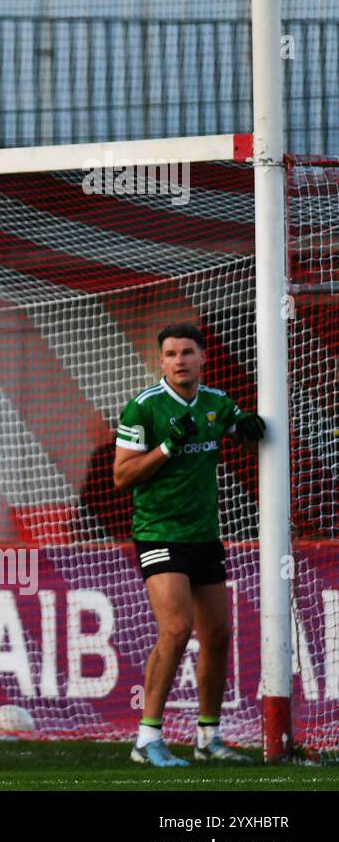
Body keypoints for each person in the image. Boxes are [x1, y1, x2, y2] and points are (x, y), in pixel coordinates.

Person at [113, 322, 262, 766]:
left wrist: (250, 427)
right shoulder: (143, 408)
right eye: (171, 354)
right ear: (160, 361)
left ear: (202, 358)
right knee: (177, 629)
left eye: (187, 352)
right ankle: (147, 738)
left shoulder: (217, 403)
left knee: (218, 634)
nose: (179, 361)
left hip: (204, 535)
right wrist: (165, 448)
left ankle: (208, 737)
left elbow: (238, 427)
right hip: (159, 532)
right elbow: (121, 476)